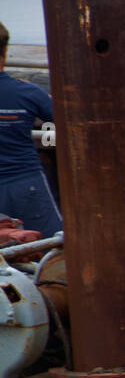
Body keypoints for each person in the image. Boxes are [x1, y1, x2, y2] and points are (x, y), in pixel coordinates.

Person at [0, 21, 62, 239]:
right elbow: (66, 119)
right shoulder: (26, 92)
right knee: (53, 245)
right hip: (26, 183)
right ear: (5, 51)